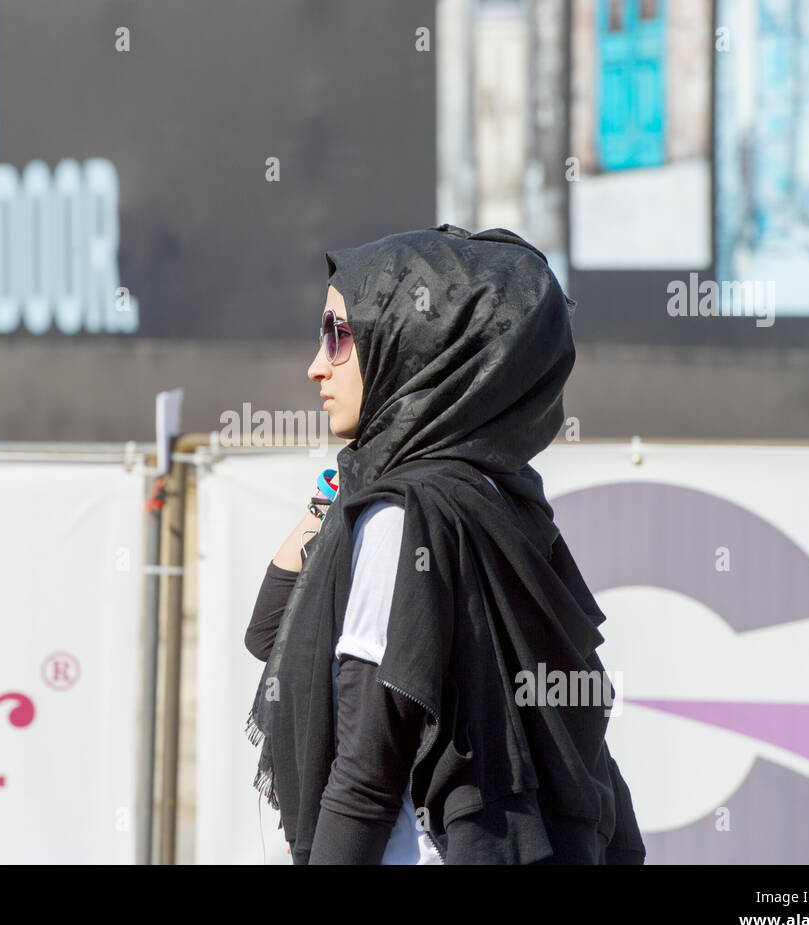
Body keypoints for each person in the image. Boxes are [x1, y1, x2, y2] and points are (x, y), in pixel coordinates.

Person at [243, 224, 646, 865]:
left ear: (418, 344)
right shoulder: (503, 496)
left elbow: (365, 779)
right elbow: (275, 634)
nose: (316, 365)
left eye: (339, 335)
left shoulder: (408, 519)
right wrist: (345, 488)